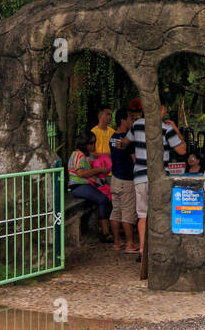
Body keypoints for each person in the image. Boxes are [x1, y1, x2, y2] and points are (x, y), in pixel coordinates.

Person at [122, 98, 186, 261]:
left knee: (142, 215)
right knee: (161, 213)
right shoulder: (166, 129)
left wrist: (120, 144)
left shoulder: (136, 125)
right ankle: (160, 249)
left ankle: (143, 251)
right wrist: (175, 129)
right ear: (162, 109)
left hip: (140, 178)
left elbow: (125, 142)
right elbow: (182, 150)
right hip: (159, 179)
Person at [67, 137, 112, 242]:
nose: (93, 145)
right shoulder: (78, 155)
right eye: (91, 143)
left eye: (94, 142)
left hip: (84, 185)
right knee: (103, 200)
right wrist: (99, 169)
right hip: (78, 186)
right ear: (84, 143)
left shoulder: (82, 155)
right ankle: (105, 232)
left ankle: (107, 228)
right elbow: (81, 173)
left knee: (108, 197)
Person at [108, 108, 140, 252]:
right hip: (127, 180)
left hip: (115, 178)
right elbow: (135, 160)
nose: (132, 121)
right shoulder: (127, 140)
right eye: (130, 119)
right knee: (127, 213)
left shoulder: (112, 137)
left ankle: (117, 242)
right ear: (123, 120)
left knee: (116, 211)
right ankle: (130, 244)